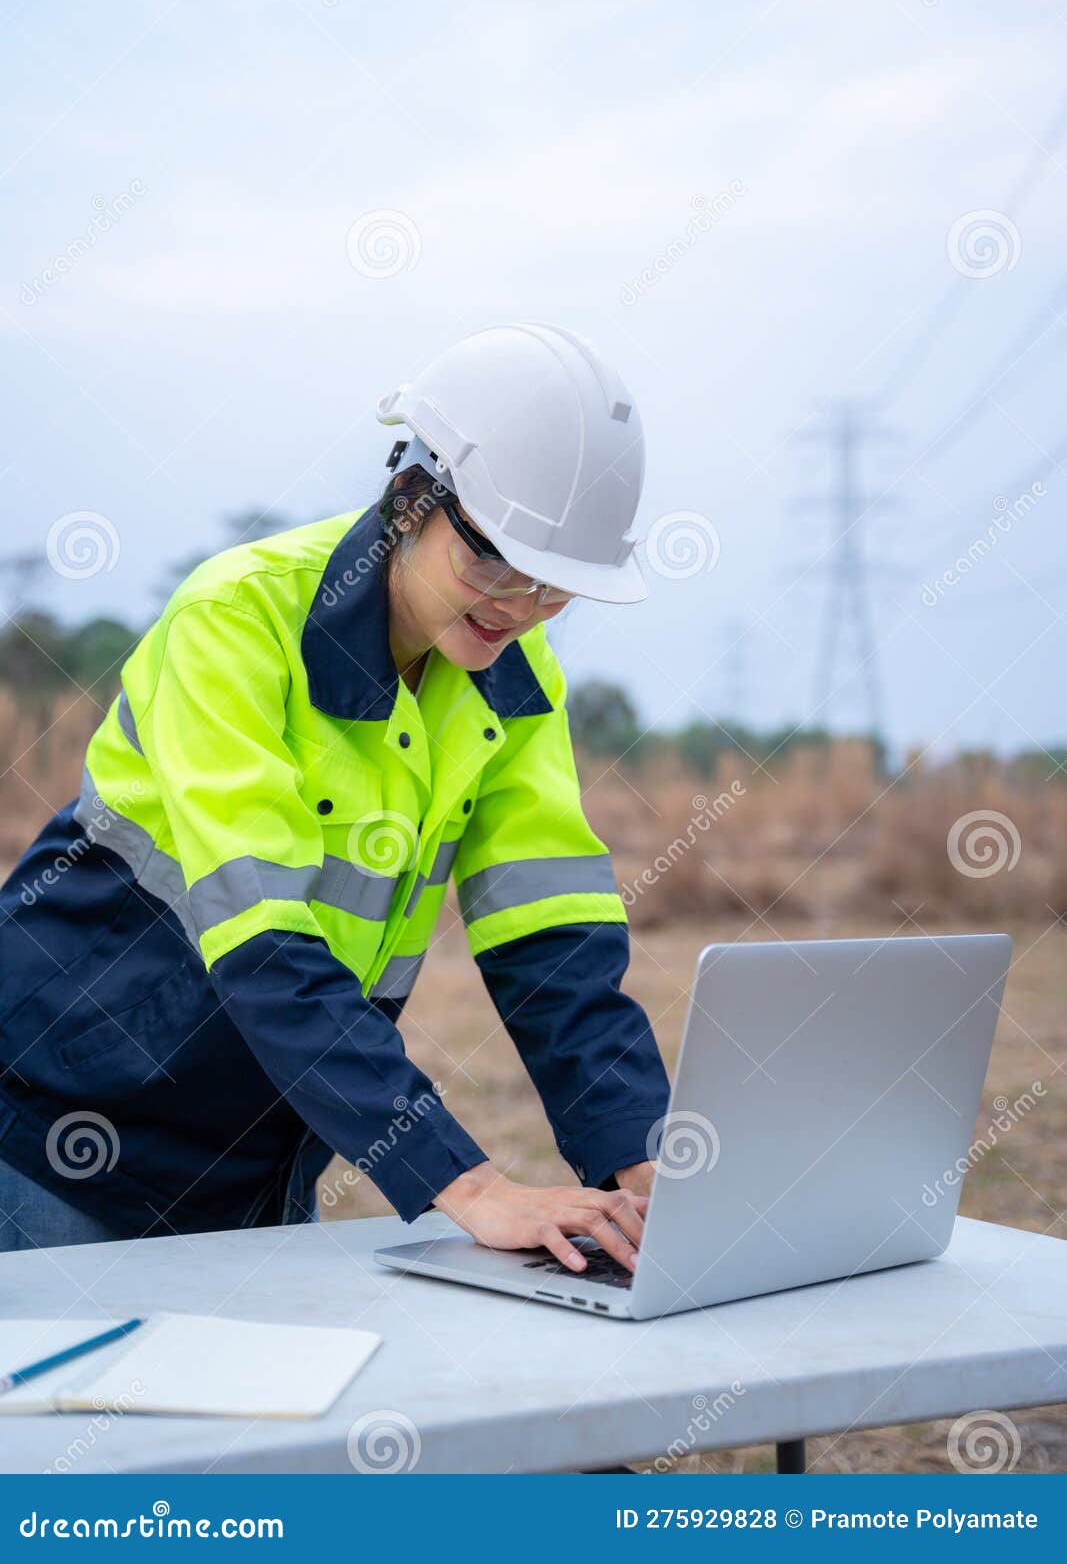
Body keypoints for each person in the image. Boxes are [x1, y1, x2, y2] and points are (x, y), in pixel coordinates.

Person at [0, 323, 670, 1270]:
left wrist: (644, 1163)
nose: (518, 607)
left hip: (263, 1158)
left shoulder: (514, 677)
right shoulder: (233, 623)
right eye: (491, 561)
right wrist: (467, 1186)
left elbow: (550, 945)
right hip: (55, 1148)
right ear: (409, 500)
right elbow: (267, 948)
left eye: (555, 586)